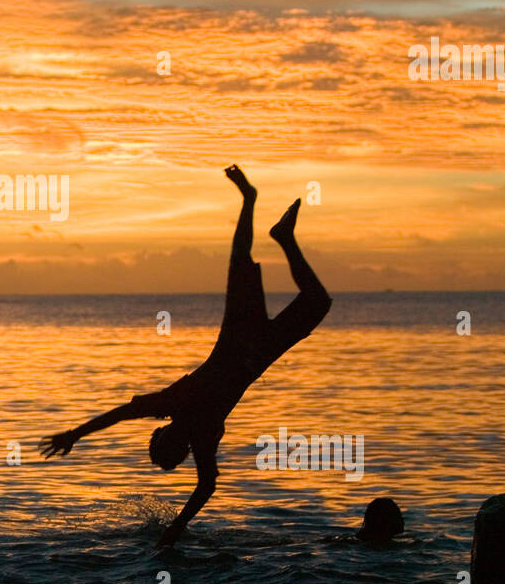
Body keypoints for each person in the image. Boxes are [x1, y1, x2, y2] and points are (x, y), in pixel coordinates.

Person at [40, 165, 331, 547]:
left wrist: (76, 434)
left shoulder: (178, 408)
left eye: (168, 445)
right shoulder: (201, 433)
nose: (175, 443)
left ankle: (251, 203)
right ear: (179, 446)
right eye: (174, 450)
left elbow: (125, 417)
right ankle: (282, 236)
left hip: (242, 340)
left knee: (244, 263)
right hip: (260, 350)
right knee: (316, 300)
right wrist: (178, 525)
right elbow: (205, 485)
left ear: (164, 433)